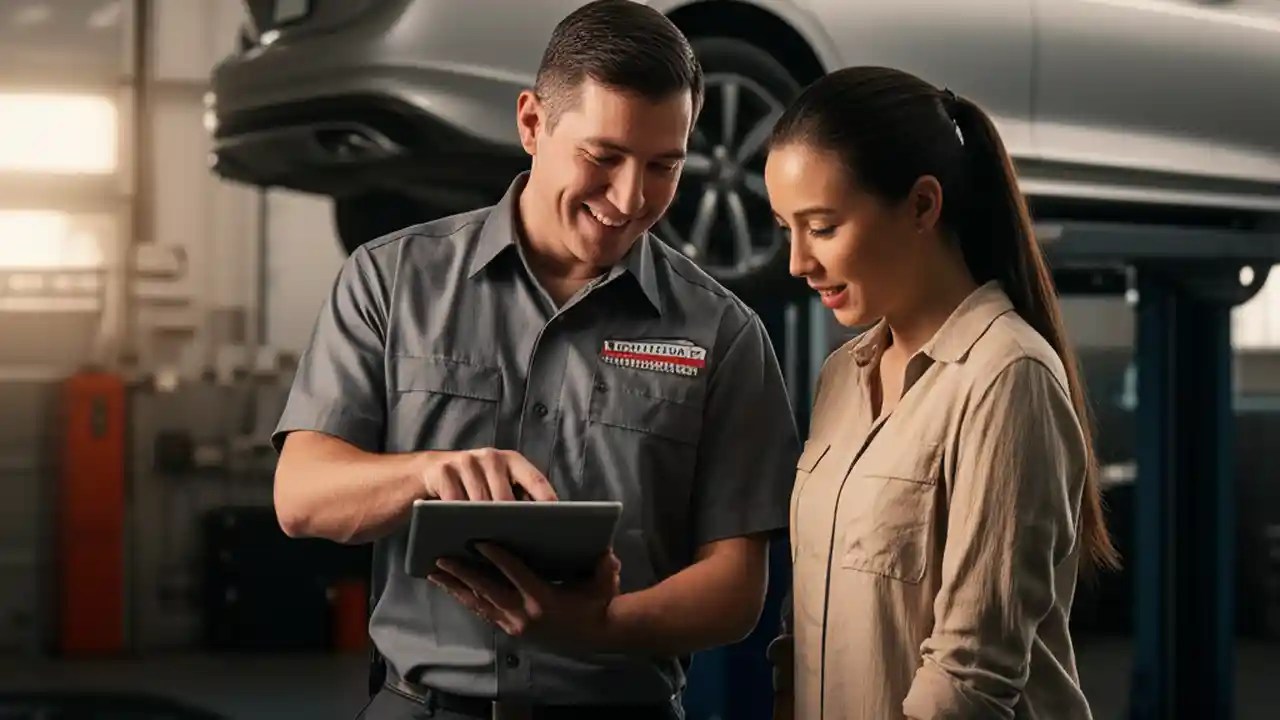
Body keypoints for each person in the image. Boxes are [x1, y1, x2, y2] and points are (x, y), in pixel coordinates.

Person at [271, 1, 800, 718]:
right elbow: (301, 498)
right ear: (531, 124)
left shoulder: (725, 334)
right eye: (602, 157)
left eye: (663, 165)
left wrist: (598, 628)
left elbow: (737, 588)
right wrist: (428, 473)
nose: (630, 197)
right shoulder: (392, 281)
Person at [762, 66, 1120, 720]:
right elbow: (808, 629)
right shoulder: (842, 376)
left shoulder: (1007, 377)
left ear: (923, 205)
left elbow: (968, 681)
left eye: (822, 226)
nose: (797, 262)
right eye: (787, 227)